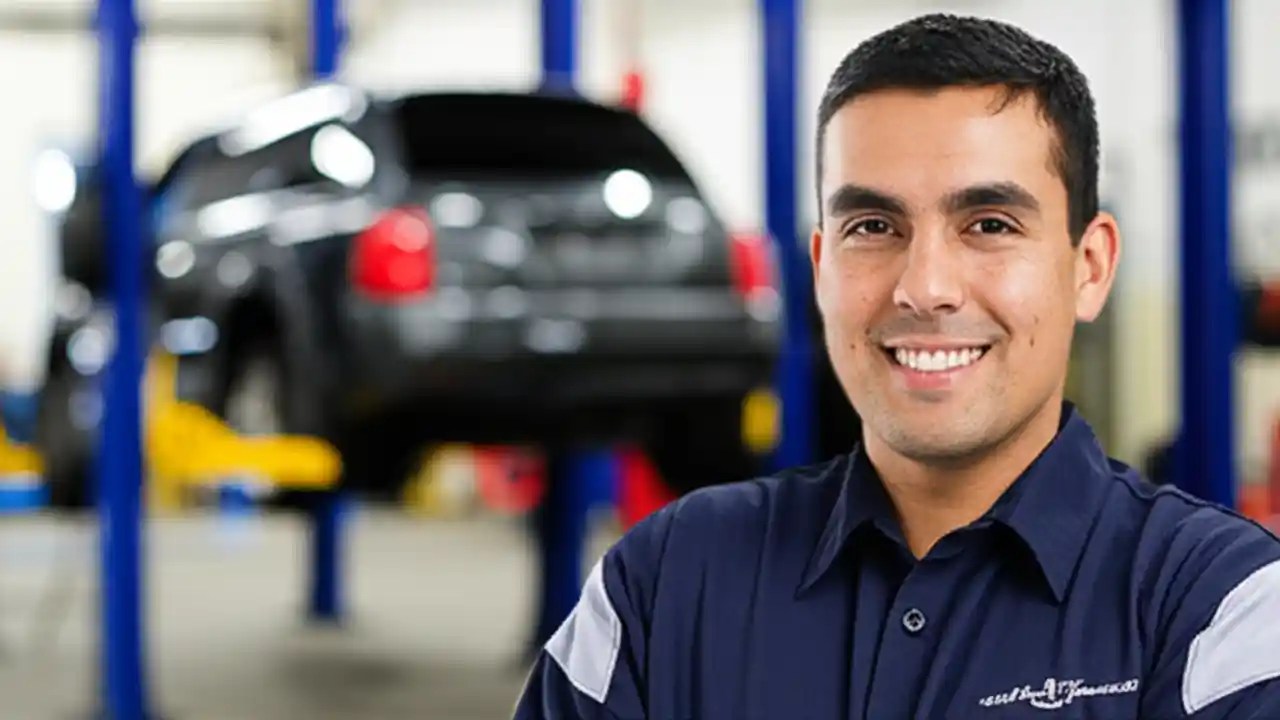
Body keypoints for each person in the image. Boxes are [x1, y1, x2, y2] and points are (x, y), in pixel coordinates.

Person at [513, 13, 1280, 719]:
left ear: (1089, 266)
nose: (924, 288)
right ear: (820, 270)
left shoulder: (1221, 609)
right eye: (874, 226)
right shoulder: (664, 585)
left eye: (988, 224)